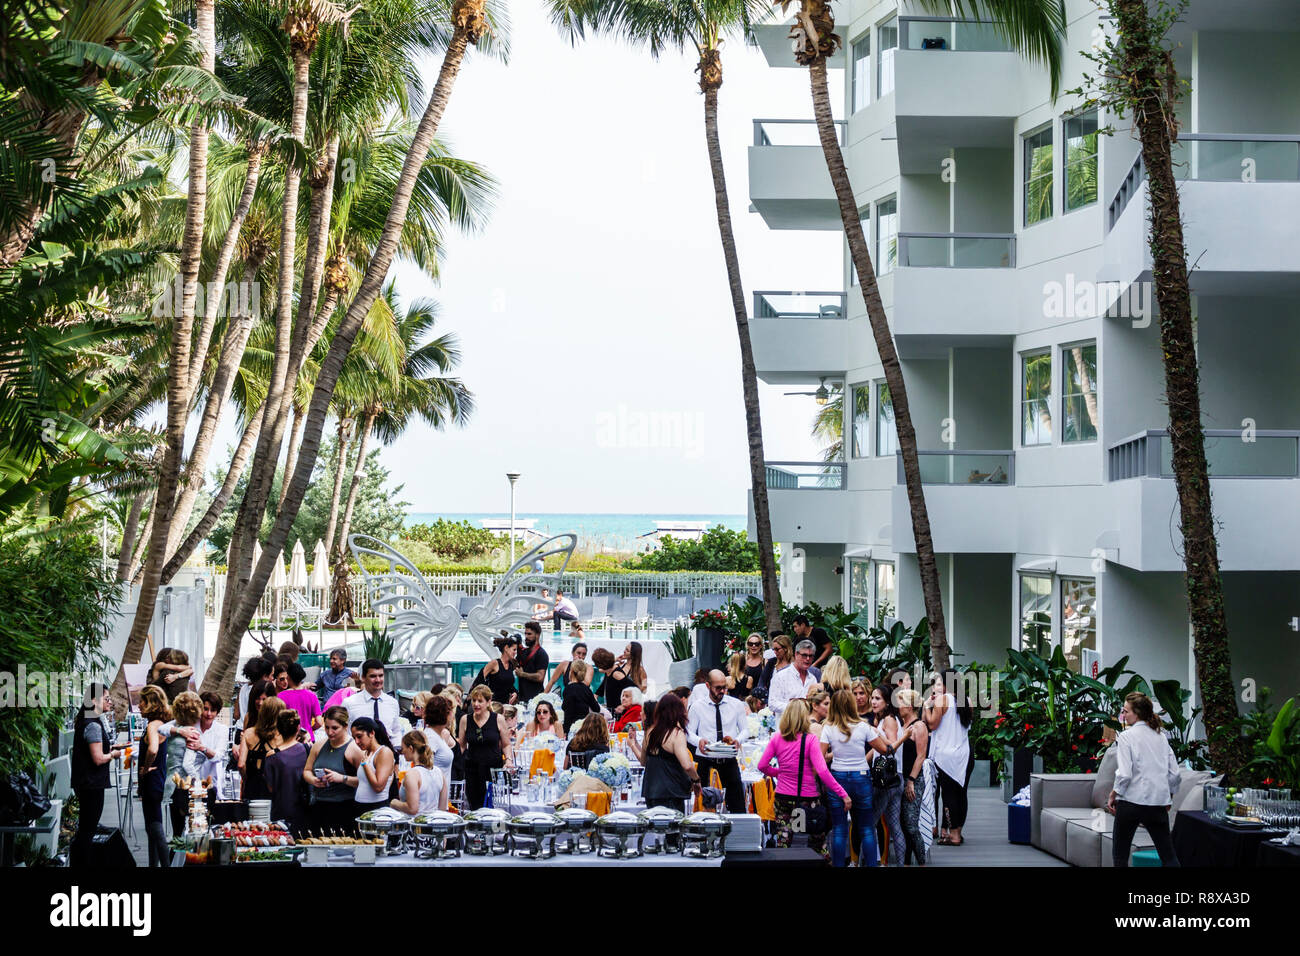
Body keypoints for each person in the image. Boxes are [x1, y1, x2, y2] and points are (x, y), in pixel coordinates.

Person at [759, 699, 849, 858]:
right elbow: (822, 771)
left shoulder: (777, 738)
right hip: (807, 799)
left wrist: (779, 772)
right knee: (816, 842)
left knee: (784, 841)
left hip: (783, 798)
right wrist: (842, 793)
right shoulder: (810, 740)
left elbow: (762, 766)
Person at [1107, 692, 1182, 867]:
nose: (1123, 715)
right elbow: (1175, 774)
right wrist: (1168, 795)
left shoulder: (1126, 737)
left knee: (1120, 857)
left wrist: (1113, 794)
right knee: (1169, 856)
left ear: (1137, 712)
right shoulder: (1161, 737)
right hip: (1157, 804)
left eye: (1126, 711)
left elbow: (1125, 774)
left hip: (1130, 803)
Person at [821, 689, 891, 867]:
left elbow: (820, 756)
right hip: (861, 777)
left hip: (838, 778)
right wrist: (878, 733)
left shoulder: (828, 727)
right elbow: (883, 749)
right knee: (867, 829)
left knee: (839, 829)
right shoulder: (863, 727)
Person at [70, 682, 126, 866]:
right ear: (94, 700)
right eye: (107, 698)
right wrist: (113, 754)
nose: (110, 702)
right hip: (91, 784)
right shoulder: (92, 724)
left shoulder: (87, 720)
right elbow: (98, 758)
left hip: (86, 782)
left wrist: (110, 748)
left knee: (86, 826)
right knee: (88, 828)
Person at [685, 669, 750, 814]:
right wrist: (699, 740)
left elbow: (746, 730)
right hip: (706, 759)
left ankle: (736, 833)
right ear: (708, 686)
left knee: (737, 805)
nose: (722, 691)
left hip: (728, 759)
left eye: (724, 687)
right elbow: (688, 733)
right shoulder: (697, 706)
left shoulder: (736, 704)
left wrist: (738, 740)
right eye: (718, 688)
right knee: (704, 805)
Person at [925, 669, 972, 846]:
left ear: (945, 684)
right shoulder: (966, 700)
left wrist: (926, 707)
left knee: (948, 795)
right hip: (964, 753)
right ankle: (958, 830)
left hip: (945, 755)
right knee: (961, 794)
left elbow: (932, 724)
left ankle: (953, 836)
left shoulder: (943, 700)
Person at [303, 706, 364, 836]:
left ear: (345, 726)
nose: (330, 732)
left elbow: (365, 782)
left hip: (344, 807)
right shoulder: (319, 745)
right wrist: (313, 780)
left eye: (335, 728)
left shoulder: (354, 749)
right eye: (326, 727)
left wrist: (342, 778)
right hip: (319, 805)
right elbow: (307, 770)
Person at [635, 694, 701, 812]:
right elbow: (687, 765)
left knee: (655, 829)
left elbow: (643, 762)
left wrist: (633, 745)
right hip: (671, 792)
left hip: (651, 791)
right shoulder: (676, 734)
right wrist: (696, 780)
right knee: (673, 829)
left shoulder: (649, 732)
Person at [865, 685, 905, 866]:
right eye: (872, 698)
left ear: (887, 702)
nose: (873, 702)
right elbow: (876, 750)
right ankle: (899, 862)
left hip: (886, 778)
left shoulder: (888, 720)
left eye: (878, 699)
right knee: (894, 823)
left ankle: (873, 861)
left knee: (870, 821)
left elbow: (891, 747)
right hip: (895, 777)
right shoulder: (883, 720)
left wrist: (877, 733)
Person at [458, 685, 511, 810]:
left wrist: (508, 759)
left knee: (494, 807)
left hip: (493, 769)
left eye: (480, 701)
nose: (476, 704)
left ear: (488, 702)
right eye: (474, 700)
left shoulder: (498, 719)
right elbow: (462, 746)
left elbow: (506, 744)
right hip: (473, 771)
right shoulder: (465, 720)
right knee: (475, 808)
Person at [161, 691, 206, 838]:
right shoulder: (193, 733)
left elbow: (160, 729)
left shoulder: (175, 727)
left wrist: (178, 730)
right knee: (189, 830)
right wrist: (198, 781)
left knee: (176, 831)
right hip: (184, 786)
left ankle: (173, 859)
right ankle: (180, 859)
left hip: (170, 783)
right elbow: (187, 764)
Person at [136, 686, 173, 867]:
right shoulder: (160, 724)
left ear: (150, 703)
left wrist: (145, 769)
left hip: (152, 778)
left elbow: (153, 749)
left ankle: (165, 864)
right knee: (152, 826)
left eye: (141, 701)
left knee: (155, 826)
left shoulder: (153, 725)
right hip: (156, 778)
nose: (139, 705)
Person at [895, 688, 930, 865]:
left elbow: (921, 756)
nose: (898, 706)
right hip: (900, 778)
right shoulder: (900, 726)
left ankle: (922, 860)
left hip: (913, 779)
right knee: (901, 823)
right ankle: (907, 861)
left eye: (900, 702)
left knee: (910, 824)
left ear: (909, 706)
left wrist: (911, 781)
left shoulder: (919, 726)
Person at [264, 710, 308, 834]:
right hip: (302, 808)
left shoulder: (272, 756)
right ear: (298, 728)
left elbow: (270, 787)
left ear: (278, 729)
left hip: (280, 808)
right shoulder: (306, 749)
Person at [391, 731, 448, 816]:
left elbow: (412, 809)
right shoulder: (439, 772)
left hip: (413, 825)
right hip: (434, 824)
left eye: (402, 749)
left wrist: (394, 803)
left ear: (410, 748)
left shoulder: (412, 775)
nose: (402, 753)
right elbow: (442, 808)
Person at [344, 659, 402, 742]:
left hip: (387, 751)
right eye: (373, 676)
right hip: (358, 752)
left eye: (381, 675)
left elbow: (396, 731)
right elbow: (344, 732)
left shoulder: (392, 703)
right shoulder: (349, 703)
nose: (378, 680)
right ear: (363, 678)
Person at [240, 695, 285, 801]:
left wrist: (246, 778)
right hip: (274, 788)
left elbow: (241, 764)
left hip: (251, 787)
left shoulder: (248, 733)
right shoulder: (283, 736)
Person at [351, 716, 396, 815]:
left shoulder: (384, 752)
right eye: (354, 738)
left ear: (371, 733)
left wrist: (365, 765)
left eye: (359, 736)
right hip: (361, 807)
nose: (357, 742)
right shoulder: (367, 753)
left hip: (376, 808)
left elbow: (379, 787)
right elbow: (363, 782)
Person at [769, 640, 821, 716]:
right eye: (804, 655)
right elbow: (772, 704)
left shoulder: (812, 679)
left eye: (811, 656)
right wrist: (796, 707)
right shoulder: (781, 676)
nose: (807, 659)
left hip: (806, 725)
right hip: (786, 725)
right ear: (796, 654)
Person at [277, 660, 323, 742]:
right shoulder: (312, 696)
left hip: (288, 739)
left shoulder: (281, 696)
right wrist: (310, 729)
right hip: (308, 739)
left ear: (288, 677)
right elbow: (319, 722)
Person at [418, 694, 458, 778]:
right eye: (450, 711)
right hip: (433, 789)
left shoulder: (437, 735)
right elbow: (424, 769)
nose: (453, 714)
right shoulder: (431, 737)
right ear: (444, 714)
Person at [196, 692, 230, 785]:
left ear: (217, 712)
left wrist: (202, 748)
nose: (209, 714)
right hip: (190, 780)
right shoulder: (191, 727)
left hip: (211, 782)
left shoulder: (222, 729)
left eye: (213, 710)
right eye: (205, 709)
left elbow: (218, 756)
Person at [474, 635, 519, 705]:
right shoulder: (494, 663)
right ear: (506, 648)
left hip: (506, 704)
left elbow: (508, 684)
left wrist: (515, 693)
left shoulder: (511, 665)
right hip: (492, 704)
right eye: (514, 649)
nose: (515, 652)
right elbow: (479, 680)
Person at [560, 660, 600, 734]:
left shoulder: (568, 688)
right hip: (585, 726)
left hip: (571, 727)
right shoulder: (587, 689)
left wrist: (565, 731)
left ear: (571, 672)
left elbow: (567, 710)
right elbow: (596, 708)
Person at [515, 621, 549, 704]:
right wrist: (505, 646)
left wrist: (523, 674)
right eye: (525, 634)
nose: (526, 637)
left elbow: (540, 677)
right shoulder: (524, 651)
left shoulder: (541, 654)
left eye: (529, 634)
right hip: (522, 698)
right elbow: (515, 664)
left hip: (536, 700)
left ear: (537, 635)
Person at [235, 657, 271, 728]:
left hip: (239, 727)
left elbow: (236, 715)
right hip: (252, 729)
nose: (271, 678)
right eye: (268, 676)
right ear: (263, 676)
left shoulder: (243, 688)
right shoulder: (259, 691)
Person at [755, 634, 793, 700]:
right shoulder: (772, 662)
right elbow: (762, 681)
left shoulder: (795, 664)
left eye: (777, 649)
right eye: (773, 649)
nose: (775, 652)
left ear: (786, 649)